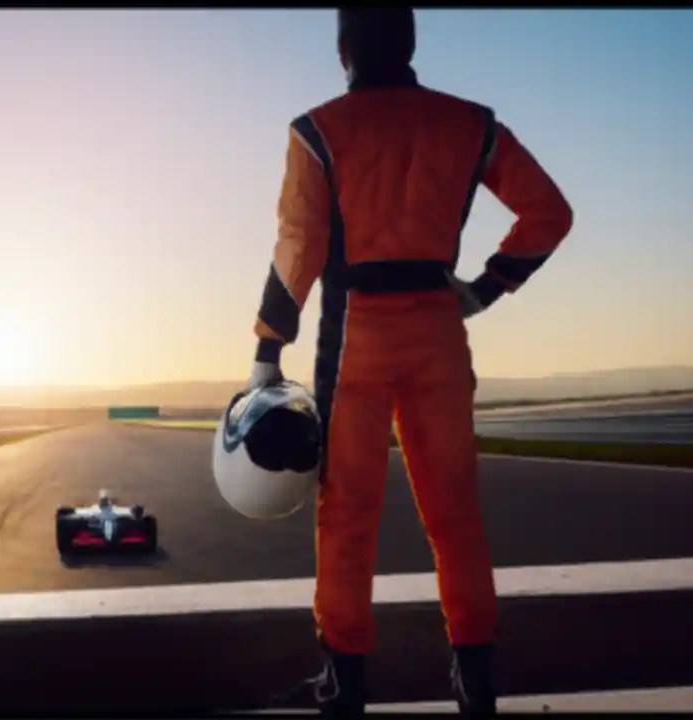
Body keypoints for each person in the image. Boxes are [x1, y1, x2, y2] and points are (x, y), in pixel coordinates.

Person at [248, 8, 573, 716]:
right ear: (412, 42)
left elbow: (298, 247)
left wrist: (268, 348)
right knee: (455, 513)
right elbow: (550, 211)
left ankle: (345, 684)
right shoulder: (471, 123)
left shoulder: (316, 130)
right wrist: (486, 288)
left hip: (355, 336)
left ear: (343, 50)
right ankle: (476, 676)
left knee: (347, 515)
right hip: (438, 331)